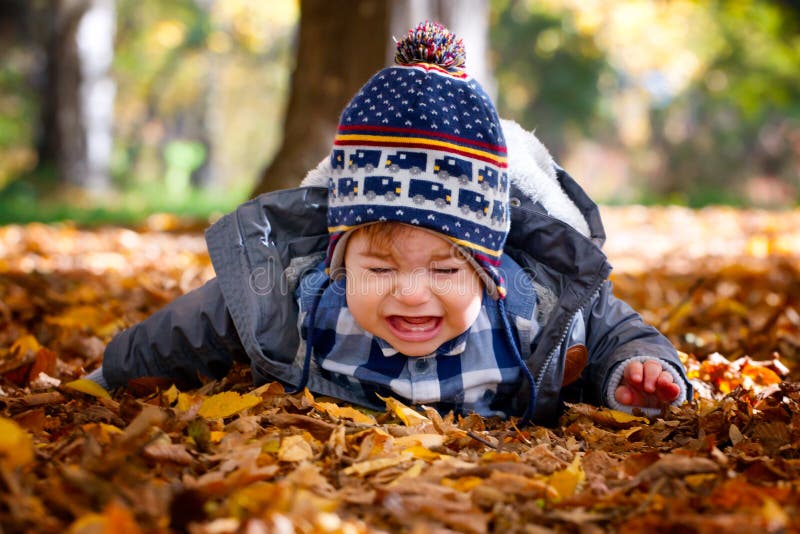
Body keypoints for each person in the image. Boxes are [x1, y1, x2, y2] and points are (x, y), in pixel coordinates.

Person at [87, 22, 690, 424]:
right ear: (338, 260)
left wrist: (635, 372)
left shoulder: (537, 315)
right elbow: (196, 327)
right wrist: (111, 374)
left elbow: (614, 330)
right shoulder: (299, 301)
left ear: (489, 272)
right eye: (376, 267)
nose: (409, 290)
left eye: (446, 268)